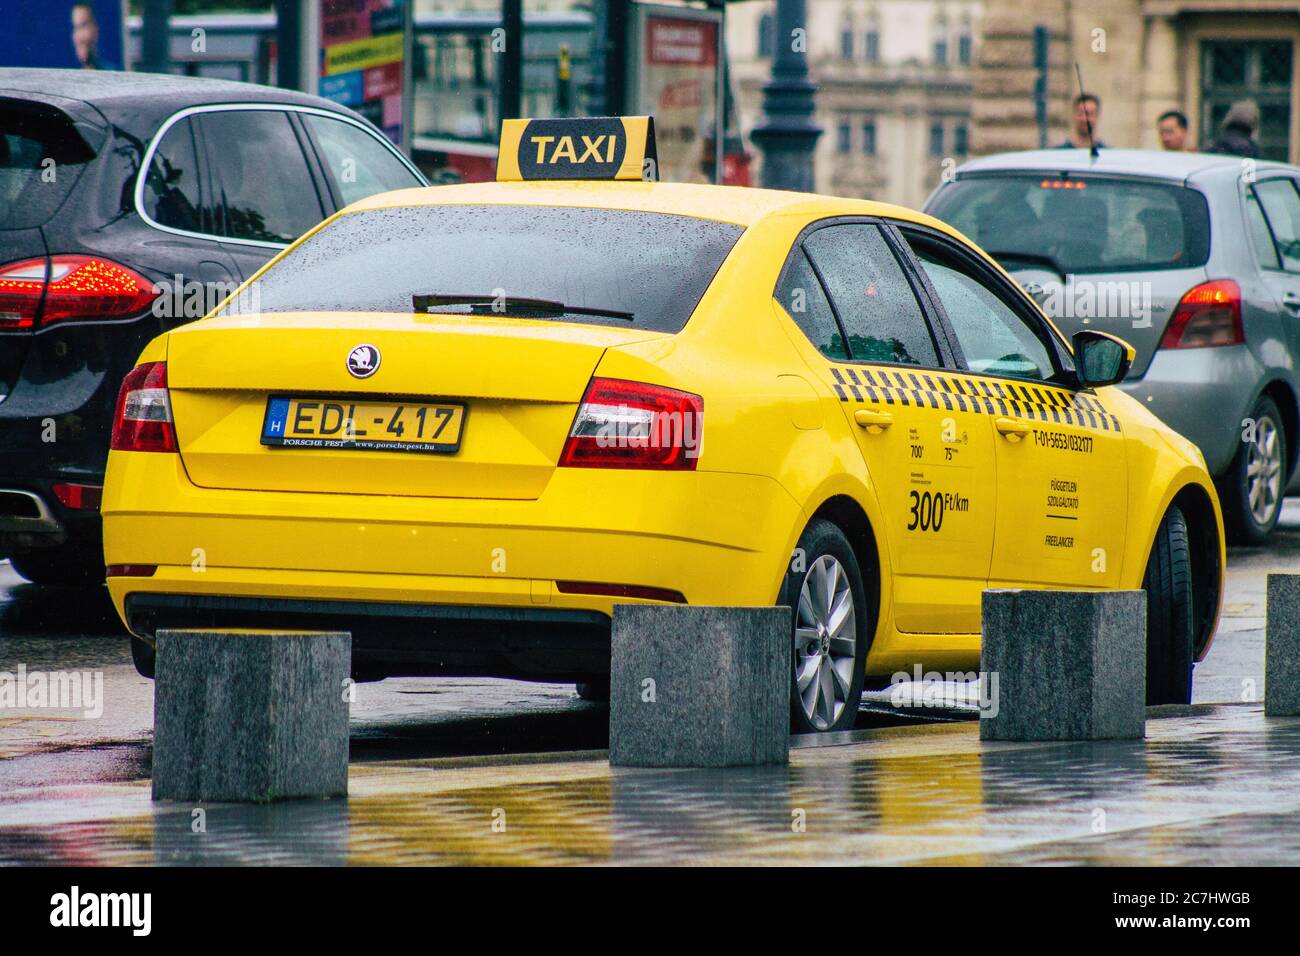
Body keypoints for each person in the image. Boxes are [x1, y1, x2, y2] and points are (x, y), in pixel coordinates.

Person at [71, 3, 117, 71]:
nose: (79, 37)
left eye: (84, 26)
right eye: (75, 28)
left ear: (96, 29)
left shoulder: (114, 74)